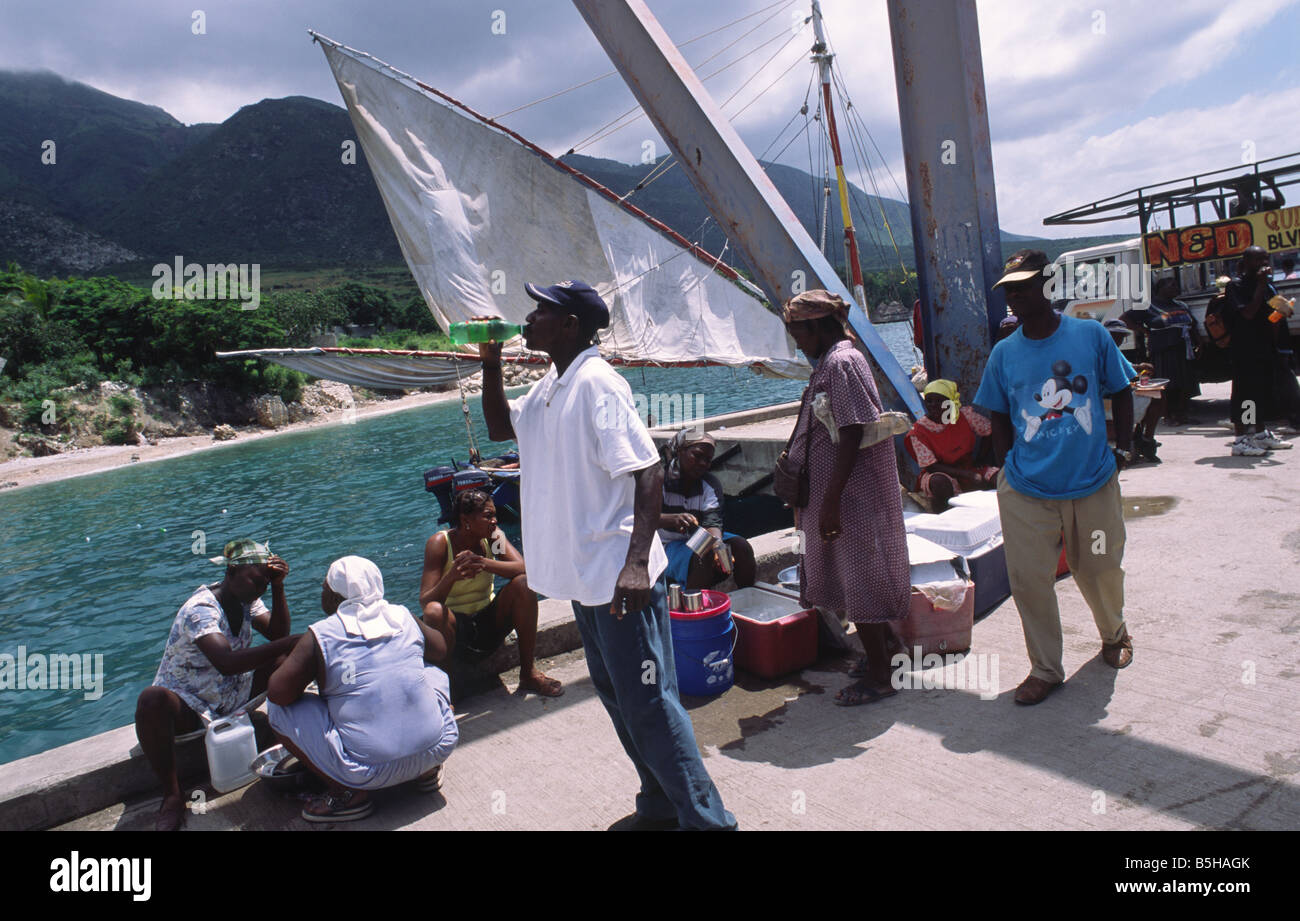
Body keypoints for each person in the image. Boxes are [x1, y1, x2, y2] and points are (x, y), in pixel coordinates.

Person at [477, 281, 735, 830]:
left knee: (651, 703)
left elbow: (646, 472)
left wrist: (638, 563)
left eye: (542, 310)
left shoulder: (598, 384)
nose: (529, 316)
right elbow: (502, 427)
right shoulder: (553, 383)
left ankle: (709, 821)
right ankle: (660, 803)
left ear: (570, 325)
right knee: (620, 697)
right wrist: (491, 362)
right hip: (586, 579)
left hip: (619, 580)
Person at [972, 250, 1136, 705]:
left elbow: (1122, 391)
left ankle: (1114, 633)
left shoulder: (1089, 334)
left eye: (1024, 284)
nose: (1015, 294)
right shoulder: (1004, 353)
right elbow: (999, 414)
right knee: (1028, 580)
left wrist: (1123, 449)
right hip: (1026, 489)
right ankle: (1045, 668)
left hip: (1093, 479)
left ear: (1047, 284)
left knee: (1099, 567)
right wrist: (1007, 467)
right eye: (1009, 288)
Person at [782, 289, 911, 706]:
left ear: (817, 326)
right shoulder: (834, 361)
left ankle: (880, 675)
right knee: (854, 572)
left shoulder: (841, 361)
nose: (797, 341)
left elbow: (854, 430)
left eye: (797, 332)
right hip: (838, 493)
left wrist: (832, 500)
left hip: (851, 496)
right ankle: (888, 648)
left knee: (860, 576)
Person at [267, 556, 459, 823]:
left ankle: (347, 793)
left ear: (336, 597)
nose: (322, 592)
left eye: (325, 587)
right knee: (433, 673)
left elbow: (277, 694)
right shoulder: (402, 615)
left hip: (367, 772)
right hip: (438, 748)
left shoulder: (322, 634)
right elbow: (439, 649)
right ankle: (425, 773)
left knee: (278, 710)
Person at [135, 539, 300, 831]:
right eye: (255, 580)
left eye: (265, 582)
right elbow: (226, 661)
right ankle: (173, 795)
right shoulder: (200, 609)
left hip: (230, 695)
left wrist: (278, 586)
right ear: (232, 571)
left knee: (287, 658)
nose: (259, 588)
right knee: (151, 700)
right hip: (190, 703)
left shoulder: (249, 598)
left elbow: (277, 633)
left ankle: (289, 740)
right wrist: (291, 642)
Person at [419, 489, 562, 697]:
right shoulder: (440, 543)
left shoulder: (493, 536)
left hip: (488, 623)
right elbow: (426, 601)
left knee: (524, 585)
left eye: (494, 515)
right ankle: (444, 692)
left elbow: (523, 568)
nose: (494, 521)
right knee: (433, 611)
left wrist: (484, 563)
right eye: (488, 516)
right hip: (457, 632)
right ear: (466, 519)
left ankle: (528, 674)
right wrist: (451, 577)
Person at [658, 428, 756, 590]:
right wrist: (673, 519)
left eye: (708, 459)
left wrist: (718, 546)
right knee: (704, 555)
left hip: (697, 537)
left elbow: (713, 522)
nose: (703, 463)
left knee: (741, 546)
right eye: (697, 456)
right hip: (667, 542)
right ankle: (693, 605)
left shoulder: (709, 484)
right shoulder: (659, 480)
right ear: (680, 451)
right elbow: (644, 518)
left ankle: (747, 596)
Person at [1222, 246, 1293, 454]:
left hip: (1265, 347)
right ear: (1246, 263)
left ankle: (1260, 434)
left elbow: (1274, 312)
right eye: (1258, 259)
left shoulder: (1267, 286)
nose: (1264, 263)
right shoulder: (1236, 286)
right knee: (1245, 394)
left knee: (1260, 392)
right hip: (1245, 349)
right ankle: (1240, 440)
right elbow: (1248, 314)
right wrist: (1261, 286)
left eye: (1266, 259)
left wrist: (1283, 309)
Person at [904, 378, 999, 509]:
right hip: (941, 472)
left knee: (1000, 478)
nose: (933, 405)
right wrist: (967, 475)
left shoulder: (964, 416)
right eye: (929, 401)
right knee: (940, 483)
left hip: (967, 466)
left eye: (939, 401)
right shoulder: (918, 431)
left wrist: (981, 459)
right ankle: (942, 514)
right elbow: (932, 467)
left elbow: (989, 430)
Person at [1127, 276, 1201, 425]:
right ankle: (1168, 415)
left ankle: (1181, 414)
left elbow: (1193, 324)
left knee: (1184, 383)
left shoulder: (1181, 305)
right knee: (1168, 384)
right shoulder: (1149, 306)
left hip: (1183, 349)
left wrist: (1198, 343)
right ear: (1161, 288)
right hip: (1163, 350)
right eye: (1172, 285)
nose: (1176, 288)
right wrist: (1146, 331)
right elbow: (1125, 319)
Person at [1105, 317, 1164, 463]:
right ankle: (1143, 440)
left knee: (1158, 396)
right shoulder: (1103, 350)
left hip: (1116, 393)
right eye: (1115, 336)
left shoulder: (1113, 350)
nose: (1118, 339)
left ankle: (1146, 439)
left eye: (1120, 337)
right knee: (1155, 400)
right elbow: (1127, 375)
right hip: (1106, 398)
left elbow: (1130, 368)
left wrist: (1140, 367)